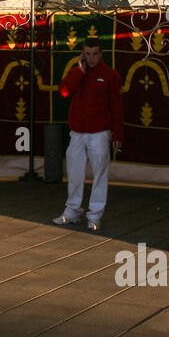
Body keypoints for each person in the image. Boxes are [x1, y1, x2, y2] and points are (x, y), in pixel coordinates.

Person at [54, 41, 123, 231]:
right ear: (82, 55)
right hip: (77, 132)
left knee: (100, 174)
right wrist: (80, 71)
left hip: (100, 133)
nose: (91, 58)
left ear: (101, 54)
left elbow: (116, 105)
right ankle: (72, 211)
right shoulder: (77, 71)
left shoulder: (110, 75)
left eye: (94, 54)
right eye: (87, 54)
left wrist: (118, 134)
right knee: (74, 173)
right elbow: (64, 91)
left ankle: (95, 215)